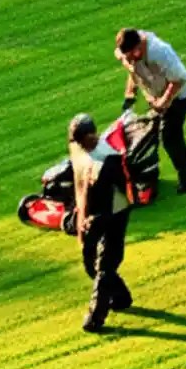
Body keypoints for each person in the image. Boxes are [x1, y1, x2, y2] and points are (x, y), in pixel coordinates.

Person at [114, 28, 186, 194]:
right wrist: (130, 92)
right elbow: (132, 68)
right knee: (147, 132)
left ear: (139, 47)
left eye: (132, 55)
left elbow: (178, 80)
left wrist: (163, 102)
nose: (129, 60)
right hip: (156, 93)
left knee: (170, 136)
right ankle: (145, 171)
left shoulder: (160, 52)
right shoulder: (132, 52)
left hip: (178, 96)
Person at [68, 113, 133, 332]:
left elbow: (122, 188)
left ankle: (96, 317)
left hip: (114, 212)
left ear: (92, 135)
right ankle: (121, 296)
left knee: (106, 265)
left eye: (82, 140)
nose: (78, 145)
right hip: (91, 215)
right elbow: (80, 185)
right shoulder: (80, 151)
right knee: (90, 262)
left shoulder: (109, 157)